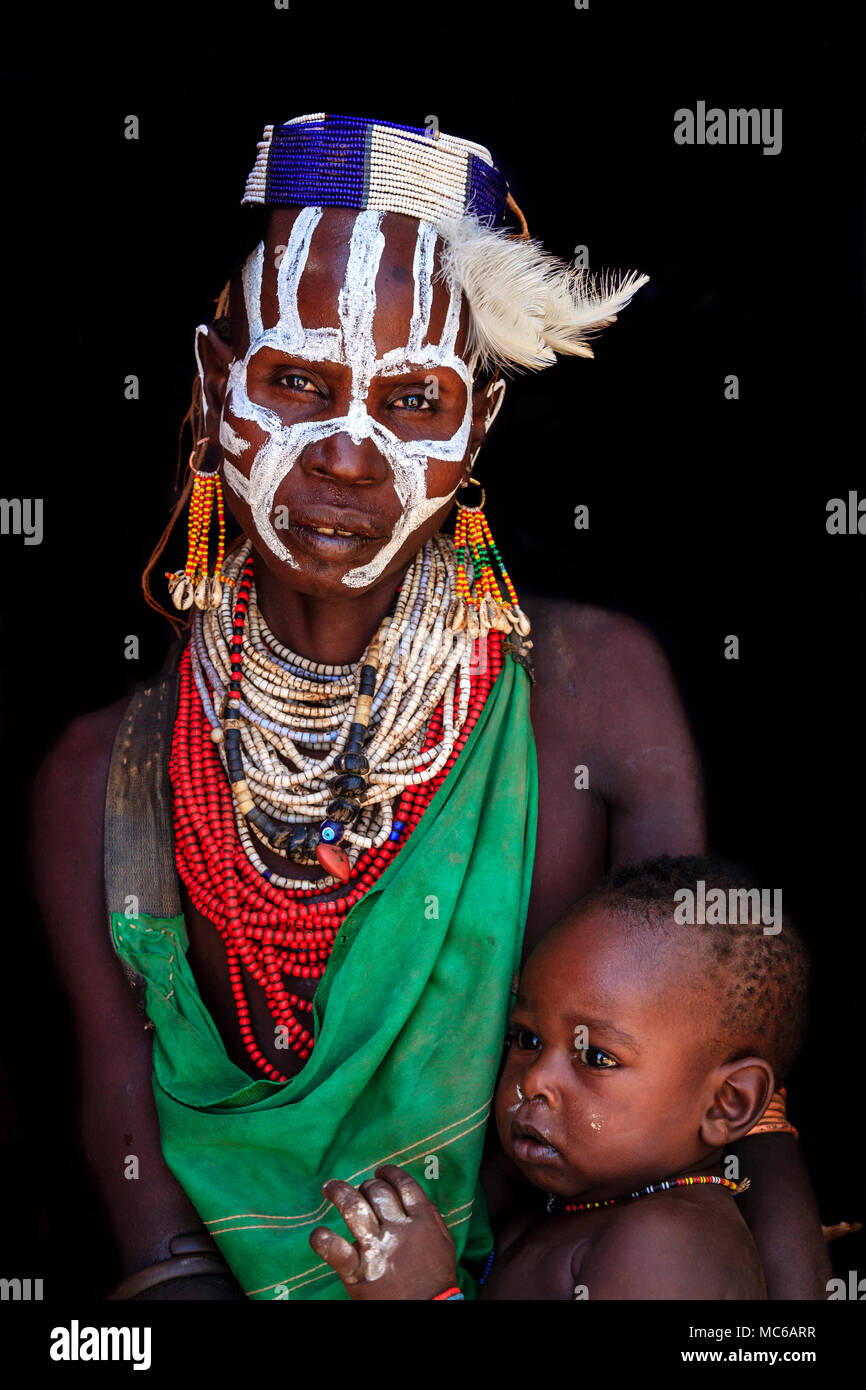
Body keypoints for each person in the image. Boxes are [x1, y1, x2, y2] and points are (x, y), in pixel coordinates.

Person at [28, 113, 827, 1300]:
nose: (346, 456)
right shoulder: (105, 778)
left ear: (477, 431)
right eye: (295, 381)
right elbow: (154, 1225)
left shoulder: (594, 693)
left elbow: (704, 1057)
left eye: (409, 399)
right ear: (210, 391)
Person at [309, 855, 808, 1300]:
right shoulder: (551, 1207)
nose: (535, 1082)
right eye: (526, 1039)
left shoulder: (668, 1242)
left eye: (597, 1059)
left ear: (728, 1104)